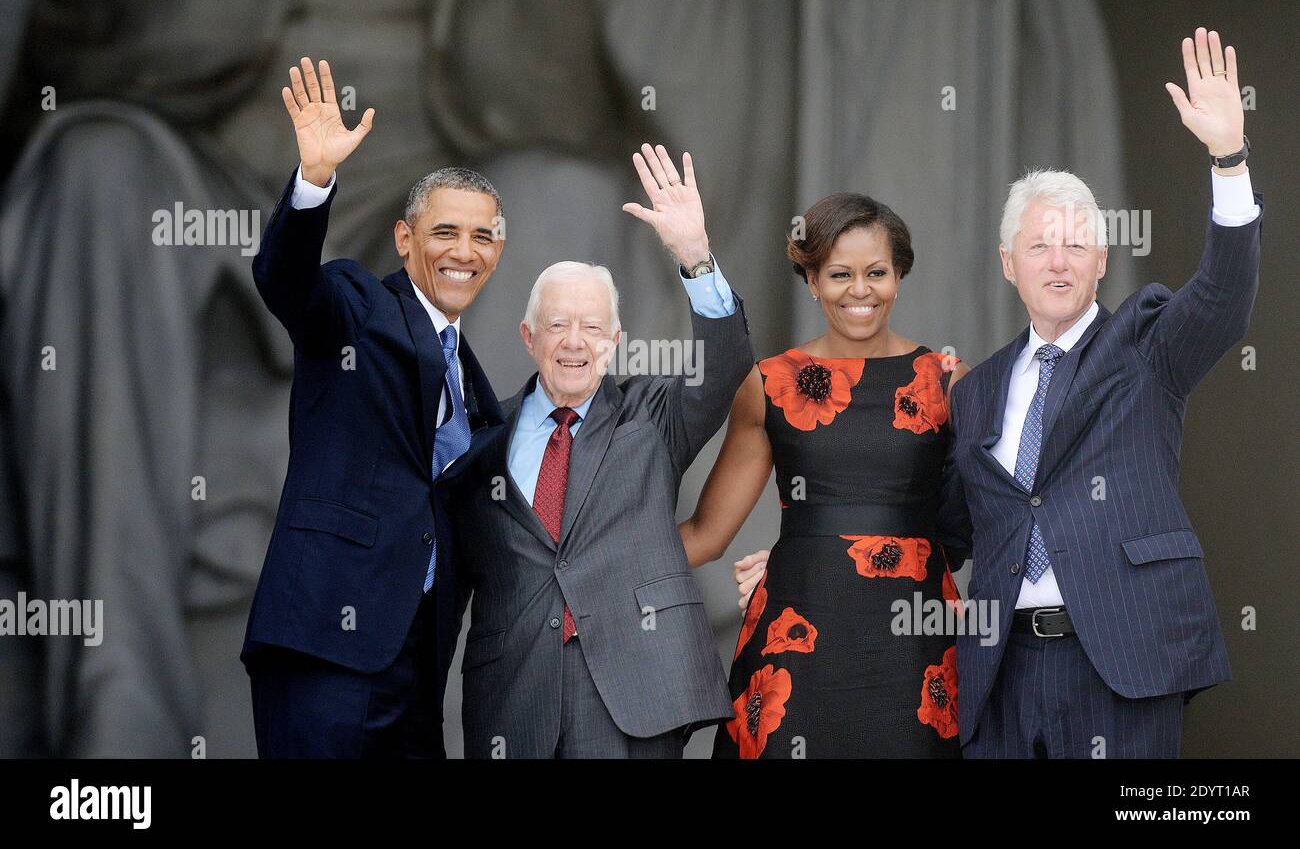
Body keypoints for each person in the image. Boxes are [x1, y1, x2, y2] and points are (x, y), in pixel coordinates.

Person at [949, 28, 1261, 758]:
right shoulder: (976, 391)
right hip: (1001, 672)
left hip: (1120, 659)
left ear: (1101, 261)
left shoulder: (1148, 343)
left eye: (1075, 245)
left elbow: (1224, 296)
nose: (1057, 262)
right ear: (1008, 264)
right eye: (1038, 246)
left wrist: (1228, 157)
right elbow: (945, 527)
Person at [437, 145, 753, 758]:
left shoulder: (651, 415)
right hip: (515, 697)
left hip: (634, 689)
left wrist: (694, 255)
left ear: (614, 342)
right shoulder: (479, 436)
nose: (574, 343)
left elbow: (727, 366)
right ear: (530, 337)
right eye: (557, 326)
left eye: (591, 328)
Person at [240, 58, 506, 757]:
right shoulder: (360, 307)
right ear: (404, 239)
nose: (464, 251)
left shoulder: (479, 392)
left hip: (416, 669)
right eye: (445, 231)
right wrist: (315, 180)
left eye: (482, 235)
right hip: (325, 644)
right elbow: (286, 279)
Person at [683, 192, 972, 758]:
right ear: (811, 279)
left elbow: (981, 519)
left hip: (916, 643)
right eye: (839, 274)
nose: (860, 290)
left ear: (899, 276)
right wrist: (600, 566)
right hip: (796, 635)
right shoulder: (767, 382)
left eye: (877, 272)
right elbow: (706, 534)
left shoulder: (948, 380)